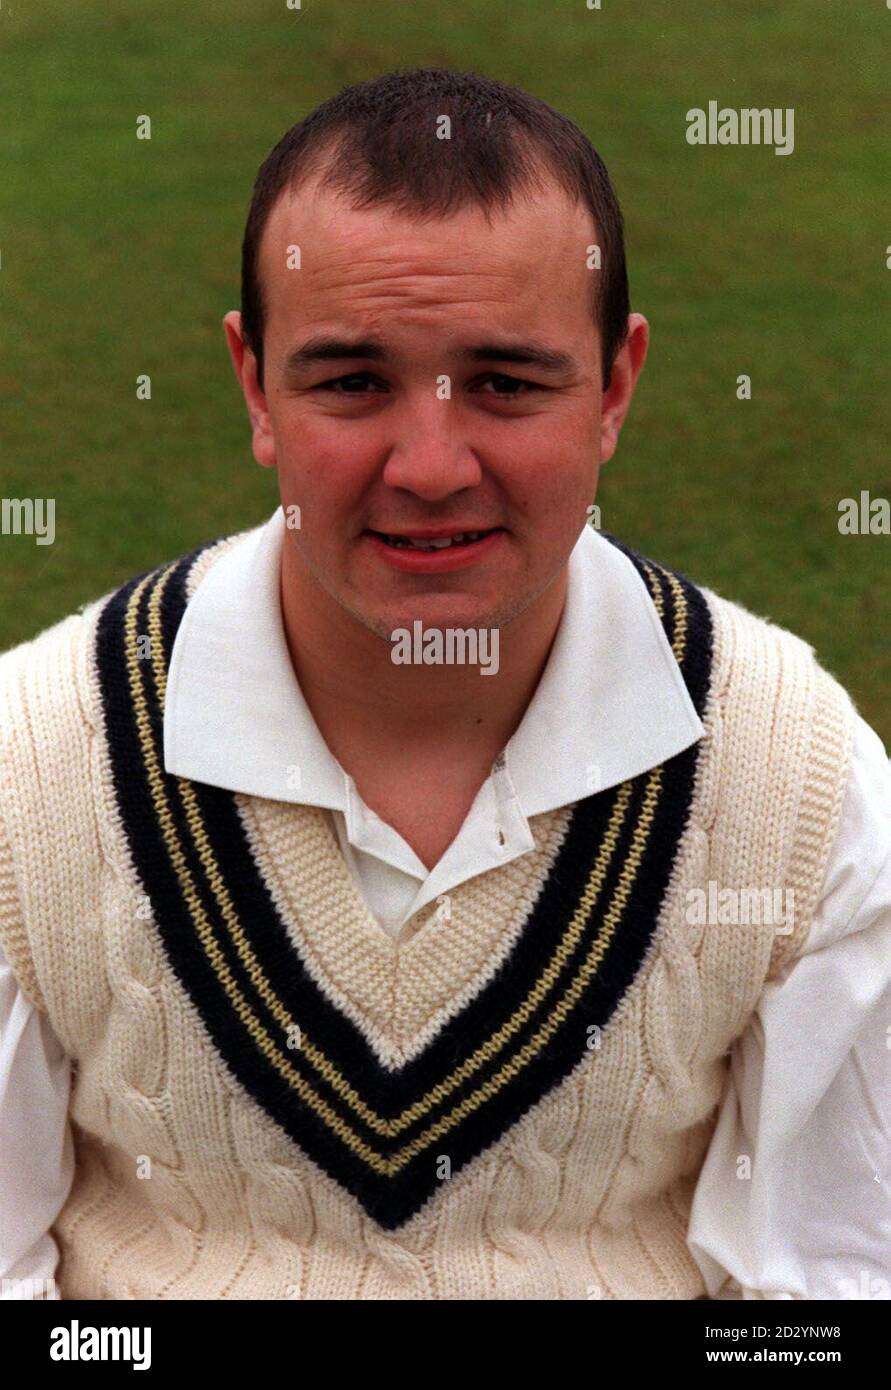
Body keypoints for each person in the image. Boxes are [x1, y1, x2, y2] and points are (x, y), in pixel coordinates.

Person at [0, 68, 888, 1301]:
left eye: (508, 383)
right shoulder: (30, 763)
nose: (429, 465)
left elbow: (828, 1289)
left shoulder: (800, 778)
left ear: (615, 388)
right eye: (353, 381)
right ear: (255, 387)